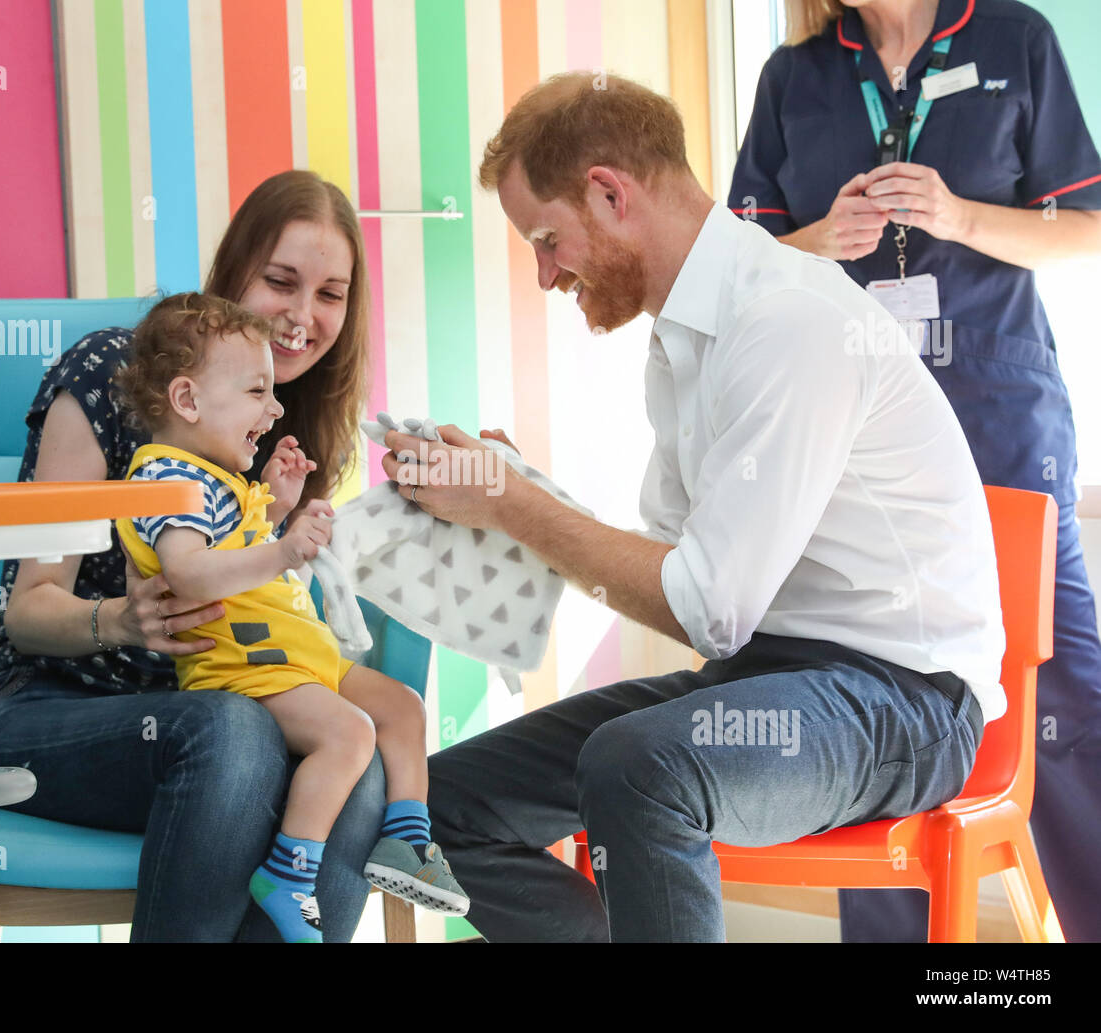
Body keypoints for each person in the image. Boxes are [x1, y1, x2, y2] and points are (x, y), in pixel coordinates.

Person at [397, 70, 1004, 942]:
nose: (543, 275)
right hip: (768, 676)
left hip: (904, 696)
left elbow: (707, 607)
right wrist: (521, 496)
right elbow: (671, 566)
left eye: (546, 238)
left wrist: (518, 508)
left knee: (640, 765)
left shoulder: (787, 318)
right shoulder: (683, 338)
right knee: (436, 804)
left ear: (609, 193)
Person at [728, 0, 1101, 942]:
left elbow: (1088, 226)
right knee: (870, 680)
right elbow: (735, 266)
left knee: (1056, 684)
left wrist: (960, 214)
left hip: (999, 413)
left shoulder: (1014, 40)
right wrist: (822, 239)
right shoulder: (795, 77)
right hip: (855, 427)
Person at [0, 170, 385, 942]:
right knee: (235, 737)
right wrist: (124, 620)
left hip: (218, 710)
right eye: (280, 281)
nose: (303, 316)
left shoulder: (288, 438)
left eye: (331, 293)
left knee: (354, 761)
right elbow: (28, 611)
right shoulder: (110, 373)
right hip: (43, 702)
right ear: (235, 272)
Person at [111, 292, 469, 942]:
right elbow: (188, 570)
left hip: (296, 656)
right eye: (256, 390)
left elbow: (234, 550)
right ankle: (289, 872)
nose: (275, 409)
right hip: (248, 666)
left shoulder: (212, 481)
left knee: (404, 706)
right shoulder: (167, 481)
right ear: (188, 401)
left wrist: (273, 508)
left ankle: (409, 840)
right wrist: (281, 548)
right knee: (351, 736)